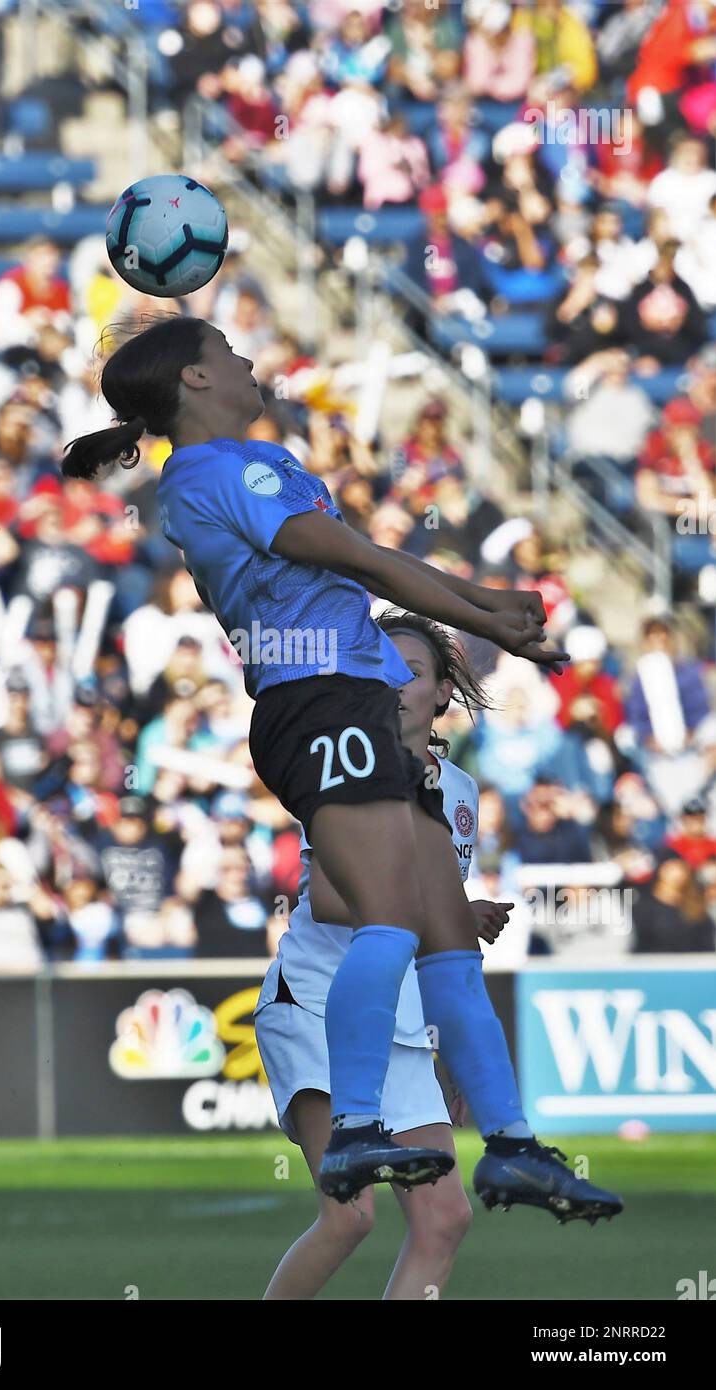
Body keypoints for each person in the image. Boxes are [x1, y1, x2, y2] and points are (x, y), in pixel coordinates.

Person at [60, 314, 621, 1220]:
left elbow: (362, 561)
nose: (246, 360)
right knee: (393, 916)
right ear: (196, 383)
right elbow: (347, 555)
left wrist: (484, 602)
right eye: (227, 354)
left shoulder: (254, 463)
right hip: (314, 697)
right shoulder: (211, 472)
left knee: (441, 926)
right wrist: (479, 618)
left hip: (349, 696)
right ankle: (359, 1121)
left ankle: (513, 1146)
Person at [255, 613, 509, 1300]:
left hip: (398, 1025)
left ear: (442, 695)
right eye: (380, 670)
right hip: (314, 1003)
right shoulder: (339, 767)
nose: (395, 684)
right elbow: (337, 901)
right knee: (349, 1216)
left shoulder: (458, 793)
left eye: (413, 672)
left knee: (445, 1219)